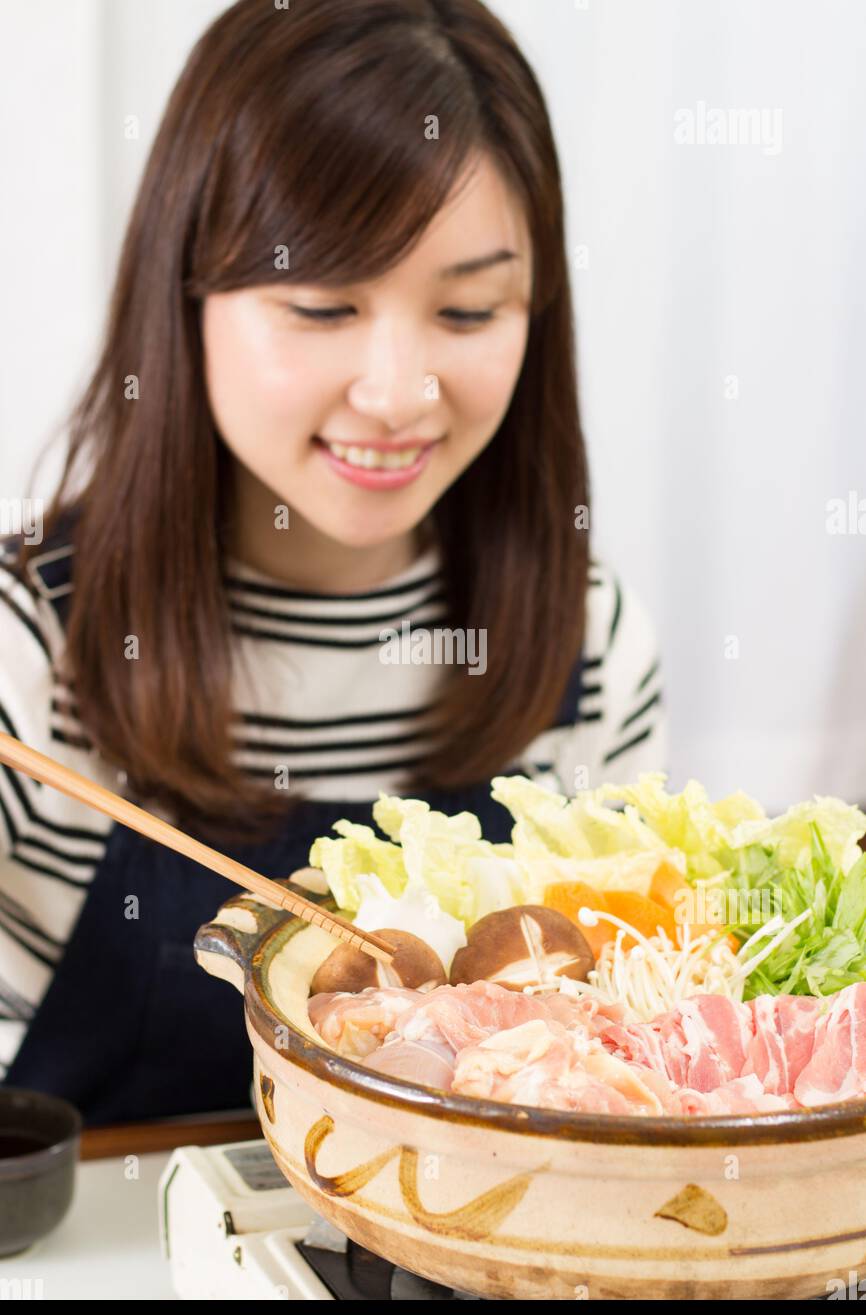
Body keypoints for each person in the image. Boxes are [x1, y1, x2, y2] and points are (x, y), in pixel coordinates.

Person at [0, 0, 666, 1124]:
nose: (398, 392)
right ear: (189, 297)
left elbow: (611, 1078)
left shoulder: (587, 644)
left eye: (465, 308)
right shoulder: (37, 644)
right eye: (321, 304)